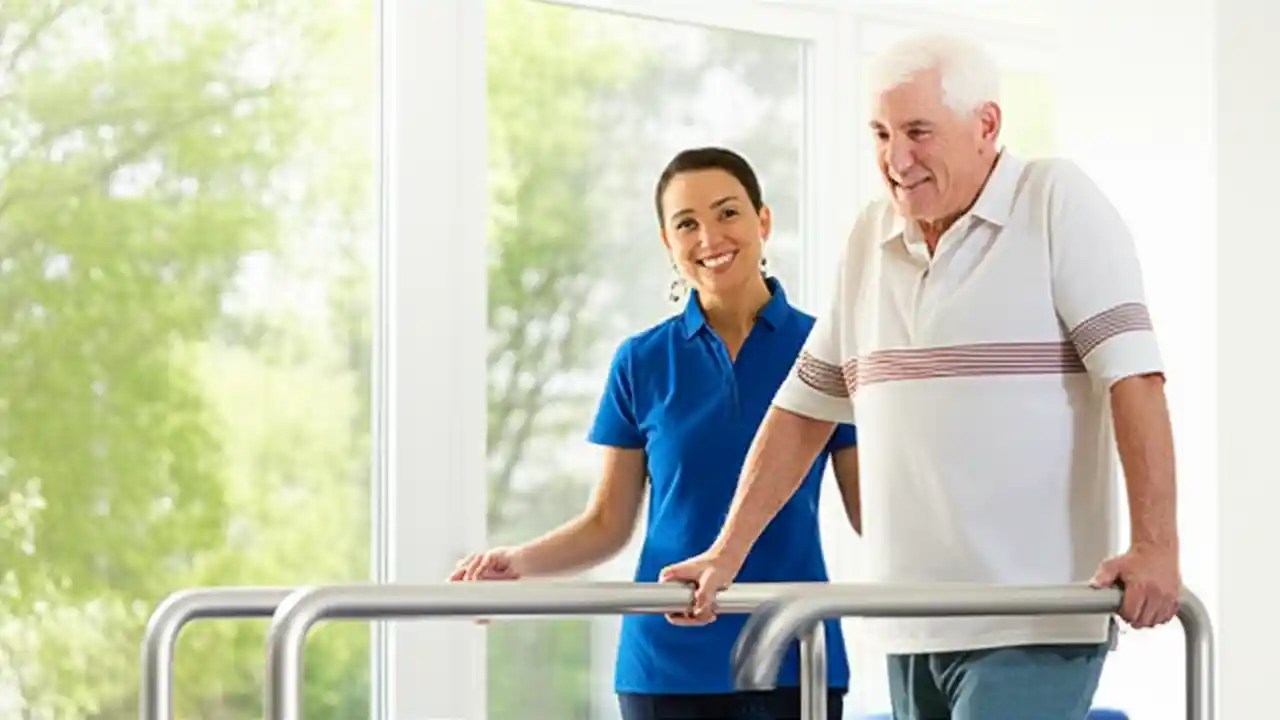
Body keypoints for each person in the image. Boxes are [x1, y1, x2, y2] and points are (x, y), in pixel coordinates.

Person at [660, 33, 1182, 720]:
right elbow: (803, 413)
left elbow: (1133, 377)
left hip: (1033, 618)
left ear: (986, 125)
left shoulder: (1054, 200)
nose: (895, 159)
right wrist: (725, 554)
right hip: (908, 618)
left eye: (918, 132)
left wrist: (1155, 546)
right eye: (880, 134)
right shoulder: (870, 236)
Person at [449, 147, 860, 720]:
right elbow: (607, 524)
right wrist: (517, 563)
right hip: (666, 663)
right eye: (686, 224)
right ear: (668, 241)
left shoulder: (825, 349)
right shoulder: (640, 361)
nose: (709, 237)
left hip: (793, 652)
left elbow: (870, 512)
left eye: (727, 213)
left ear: (763, 220)